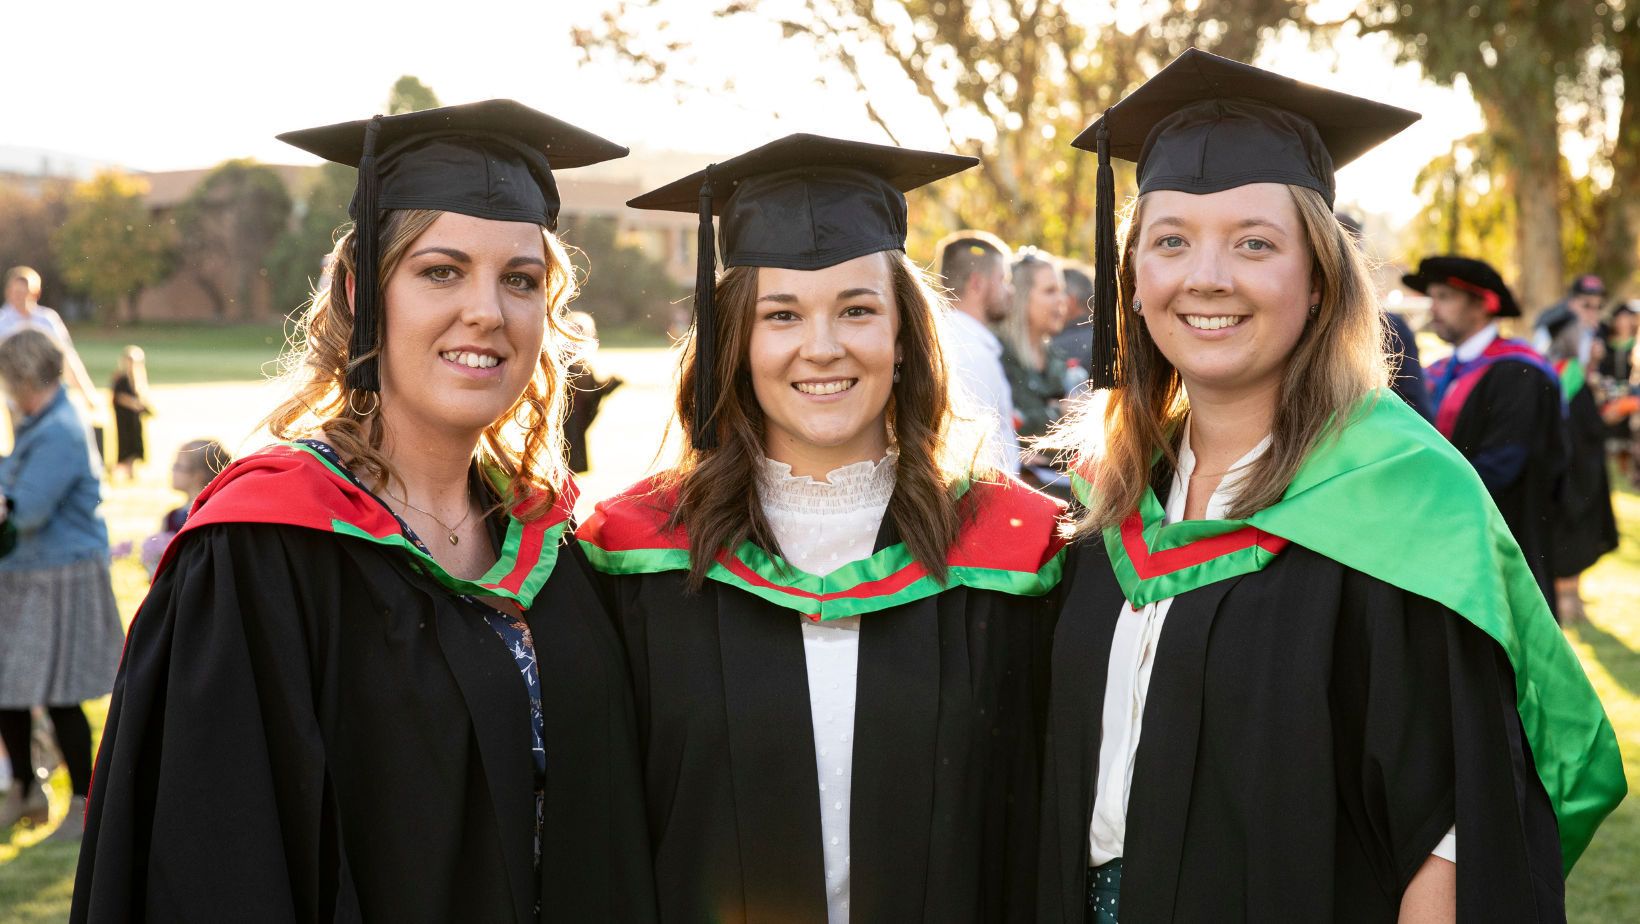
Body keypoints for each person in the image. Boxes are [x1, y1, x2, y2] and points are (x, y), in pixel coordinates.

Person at [1037, 49, 1624, 924]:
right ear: (1132, 280)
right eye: (1170, 241)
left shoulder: (1401, 500)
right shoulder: (1110, 502)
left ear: (1318, 281)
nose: (1207, 277)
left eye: (1254, 243)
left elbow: (1454, 830)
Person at [72, 101, 657, 924]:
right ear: (361, 291)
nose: (488, 310)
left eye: (520, 279)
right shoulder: (262, 551)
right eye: (441, 270)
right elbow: (214, 868)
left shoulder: (553, 548)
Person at [589, 134, 1067, 924]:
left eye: (856, 309)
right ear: (737, 342)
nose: (823, 346)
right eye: (782, 314)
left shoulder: (1019, 549)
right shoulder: (632, 553)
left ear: (904, 337)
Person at [0, 330, 124, 841]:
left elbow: (23, 513)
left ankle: (82, 803)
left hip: (64, 575)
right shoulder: (37, 420)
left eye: (10, 381)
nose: (6, 390)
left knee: (60, 693)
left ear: (28, 379)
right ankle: (27, 791)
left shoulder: (60, 430)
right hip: (28, 574)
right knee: (10, 686)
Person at [1410, 256, 1567, 615]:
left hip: (1501, 536)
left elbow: (1504, 463)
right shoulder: (1439, 372)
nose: (1433, 308)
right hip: (1450, 537)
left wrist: (1428, 495)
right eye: (1432, 297)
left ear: (1483, 304)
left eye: (1444, 297)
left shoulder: (1520, 371)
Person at [1542, 313, 1619, 623]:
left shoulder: (1562, 370)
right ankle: (1567, 603)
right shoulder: (1569, 375)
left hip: (1574, 468)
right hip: (1575, 471)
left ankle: (1573, 599)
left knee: (1574, 535)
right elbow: (1579, 426)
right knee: (1571, 534)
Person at [936, 229, 1021, 473]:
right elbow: (978, 458)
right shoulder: (971, 354)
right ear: (977, 283)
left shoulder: (951, 339)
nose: (1010, 291)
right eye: (1003, 280)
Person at [998, 250, 1074, 493]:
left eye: (1061, 290)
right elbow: (1006, 429)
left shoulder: (1058, 360)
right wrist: (1059, 410)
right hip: (1017, 496)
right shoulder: (998, 356)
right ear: (1021, 297)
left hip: (1066, 496)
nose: (1062, 299)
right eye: (1050, 291)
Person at [1, 267, 104, 419]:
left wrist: (87, 393)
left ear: (35, 292)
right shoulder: (3, 323)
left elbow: (68, 357)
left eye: (22, 292)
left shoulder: (48, 319)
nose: (18, 296)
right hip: (19, 403)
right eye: (14, 292)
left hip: (49, 400)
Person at [138, 438, 231, 576]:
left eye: (178, 467)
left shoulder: (211, 517)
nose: (172, 471)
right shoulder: (172, 516)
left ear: (198, 476)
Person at [562, 311, 622, 474]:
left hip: (575, 429)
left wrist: (610, 384)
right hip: (562, 431)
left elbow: (591, 395)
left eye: (581, 330)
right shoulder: (559, 362)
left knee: (568, 474)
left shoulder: (584, 366)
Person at [1533, 274, 1605, 363]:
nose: (1592, 313)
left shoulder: (1592, 331)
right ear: (1571, 303)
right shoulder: (1554, 325)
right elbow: (1537, 360)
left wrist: (1592, 361)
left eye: (1597, 307)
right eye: (1586, 305)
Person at [110, 346, 152, 481]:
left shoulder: (139, 376)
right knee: (125, 444)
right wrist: (134, 404)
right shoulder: (120, 378)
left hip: (135, 418)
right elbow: (118, 396)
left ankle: (131, 473)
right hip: (124, 417)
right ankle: (117, 470)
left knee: (136, 444)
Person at [1048, 263, 1094, 373]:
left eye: (1058, 293)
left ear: (1070, 302)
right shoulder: (1113, 335)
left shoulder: (1057, 348)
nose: (1058, 300)